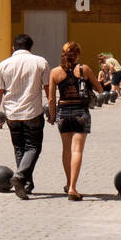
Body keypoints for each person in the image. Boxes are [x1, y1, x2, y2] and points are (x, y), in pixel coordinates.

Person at [0, 33, 50, 200]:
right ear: (31, 48)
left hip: (12, 113)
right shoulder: (40, 62)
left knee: (19, 148)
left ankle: (25, 184)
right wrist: (52, 109)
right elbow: (48, 88)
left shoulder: (3, 65)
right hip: (33, 112)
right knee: (33, 148)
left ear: (13, 47)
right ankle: (20, 177)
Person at [47, 41, 97, 201]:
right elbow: (100, 88)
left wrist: (53, 116)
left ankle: (68, 183)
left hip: (63, 112)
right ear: (78, 54)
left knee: (66, 150)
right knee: (77, 151)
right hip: (81, 112)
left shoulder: (55, 72)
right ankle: (73, 189)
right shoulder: (84, 69)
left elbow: (50, 98)